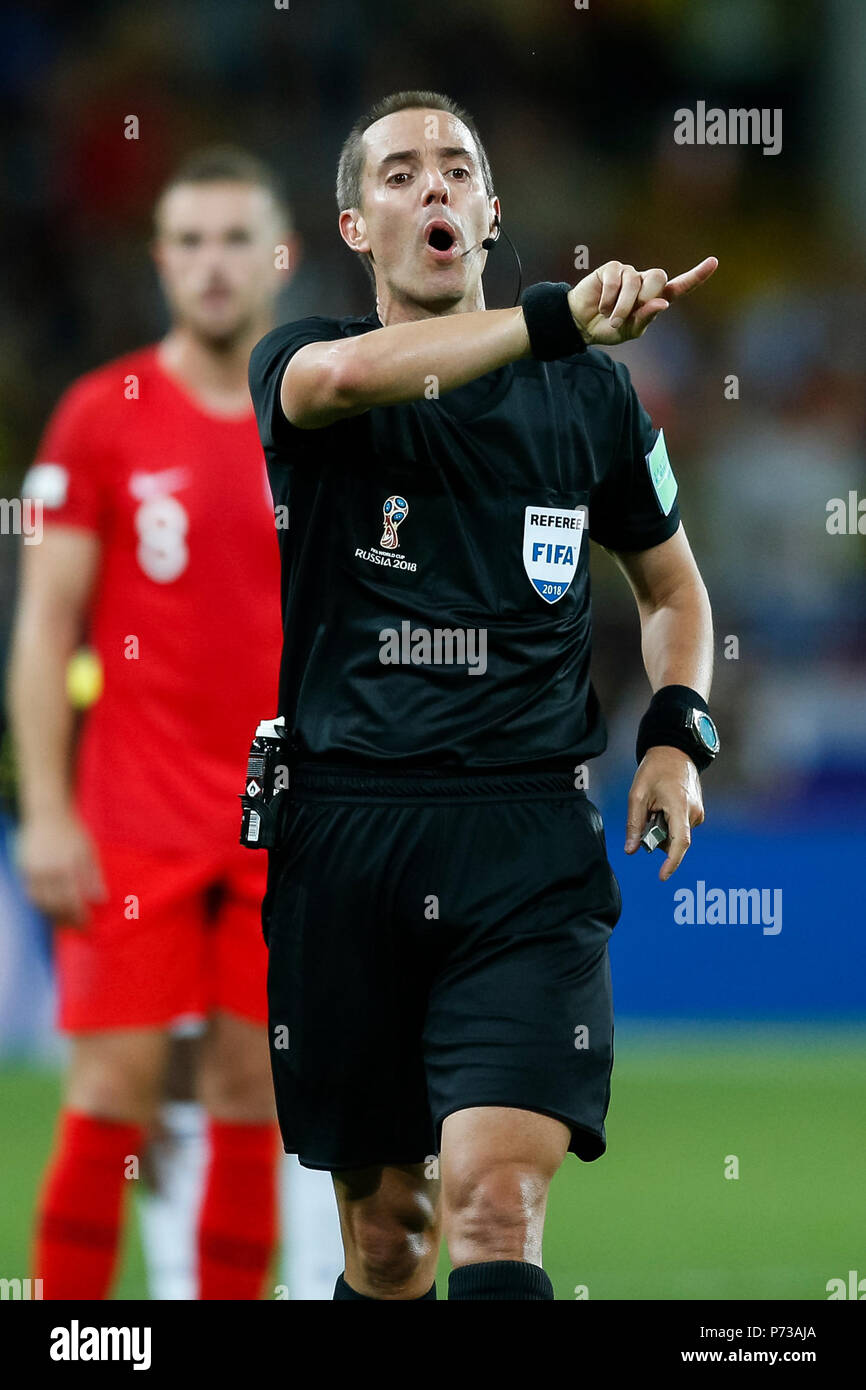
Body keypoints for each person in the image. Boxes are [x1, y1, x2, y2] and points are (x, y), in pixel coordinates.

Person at [248, 89, 720, 1302]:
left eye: (456, 167)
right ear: (357, 226)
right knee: (388, 1233)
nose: (434, 187)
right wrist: (555, 316)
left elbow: (674, 593)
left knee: (494, 1208)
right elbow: (354, 372)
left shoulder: (591, 398)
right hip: (344, 833)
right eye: (398, 174)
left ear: (491, 210)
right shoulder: (302, 364)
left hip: (526, 844)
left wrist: (673, 732)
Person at [10, 147, 310, 1299]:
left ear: (279, 256)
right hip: (132, 815)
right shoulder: (100, 415)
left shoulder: (321, 409)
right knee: (110, 1099)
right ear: (158, 262)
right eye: (187, 241)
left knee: (250, 1098)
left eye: (235, 238)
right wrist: (43, 810)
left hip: (279, 818)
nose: (212, 264)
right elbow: (44, 629)